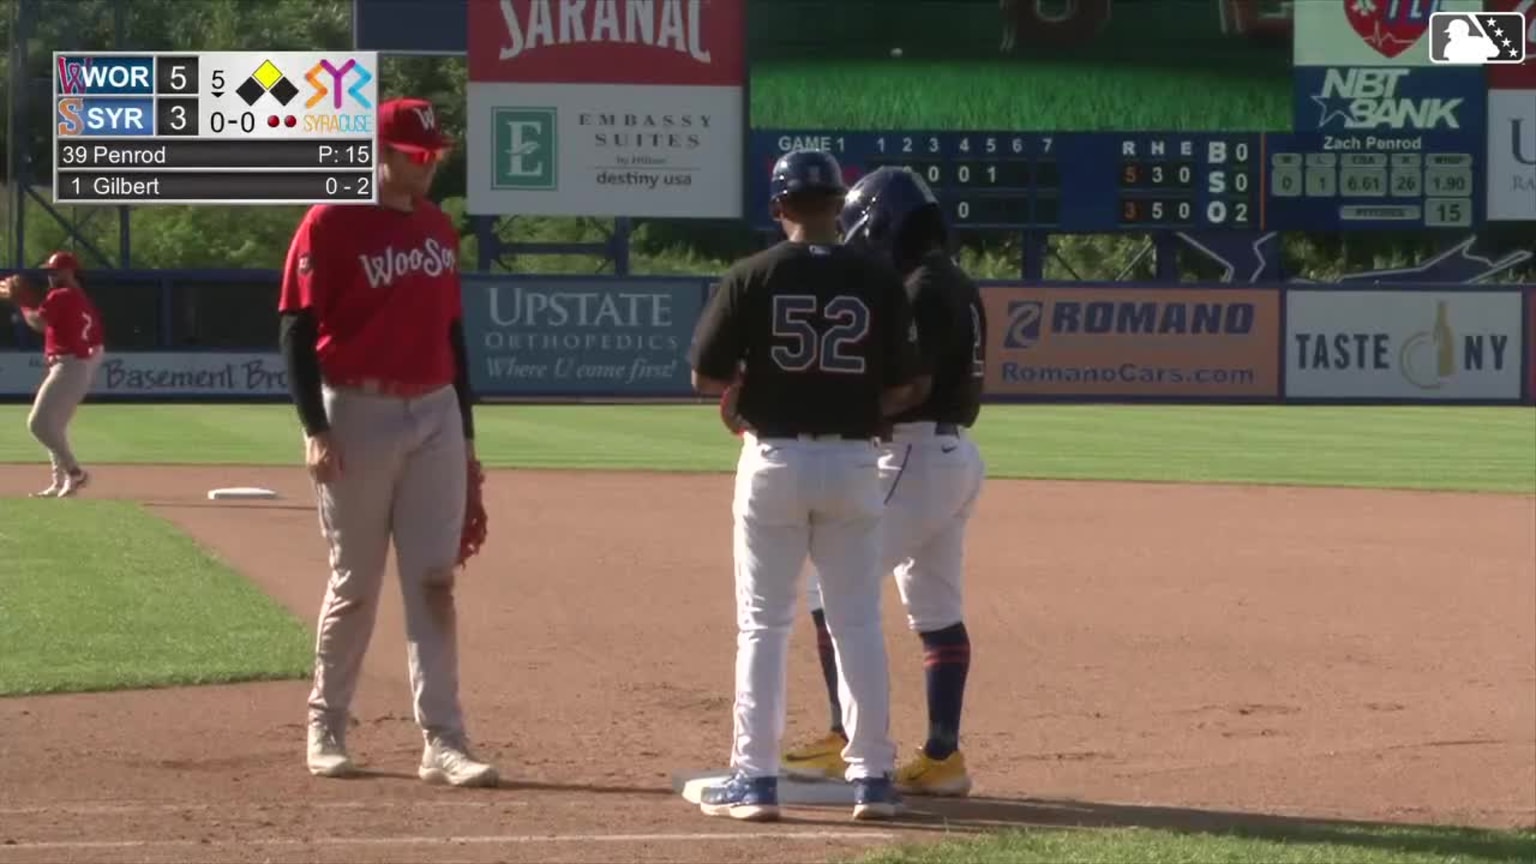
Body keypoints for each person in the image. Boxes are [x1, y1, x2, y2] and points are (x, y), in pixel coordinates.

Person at [687, 149, 924, 822]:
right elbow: (905, 383)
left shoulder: (752, 274)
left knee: (763, 624)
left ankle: (756, 781)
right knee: (857, 624)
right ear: (838, 205)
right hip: (854, 463)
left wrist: (750, 386)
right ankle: (873, 778)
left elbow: (706, 376)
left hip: (776, 459)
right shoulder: (877, 277)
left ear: (778, 207)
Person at [277, 96, 497, 787]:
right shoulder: (330, 221)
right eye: (417, 153)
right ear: (382, 152)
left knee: (434, 583)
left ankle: (444, 741)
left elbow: (454, 340)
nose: (430, 164)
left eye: (436, 154)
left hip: (432, 410)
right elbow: (295, 329)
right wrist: (314, 427)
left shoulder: (438, 227)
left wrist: (464, 436)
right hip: (358, 410)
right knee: (356, 583)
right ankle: (327, 725)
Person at [781, 167, 987, 798]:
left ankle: (847, 737)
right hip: (947, 455)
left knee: (827, 587)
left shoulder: (923, 288)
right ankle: (942, 757)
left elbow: (909, 386)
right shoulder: (951, 280)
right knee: (936, 609)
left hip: (913, 455)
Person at [3, 251, 106, 498]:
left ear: (69, 272)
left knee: (38, 424)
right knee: (54, 426)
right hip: (74, 362)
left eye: (54, 271)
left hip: (70, 364)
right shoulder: (78, 296)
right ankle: (59, 482)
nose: (50, 275)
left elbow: (39, 322)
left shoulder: (61, 295)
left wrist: (22, 302)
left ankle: (75, 472)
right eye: (49, 271)